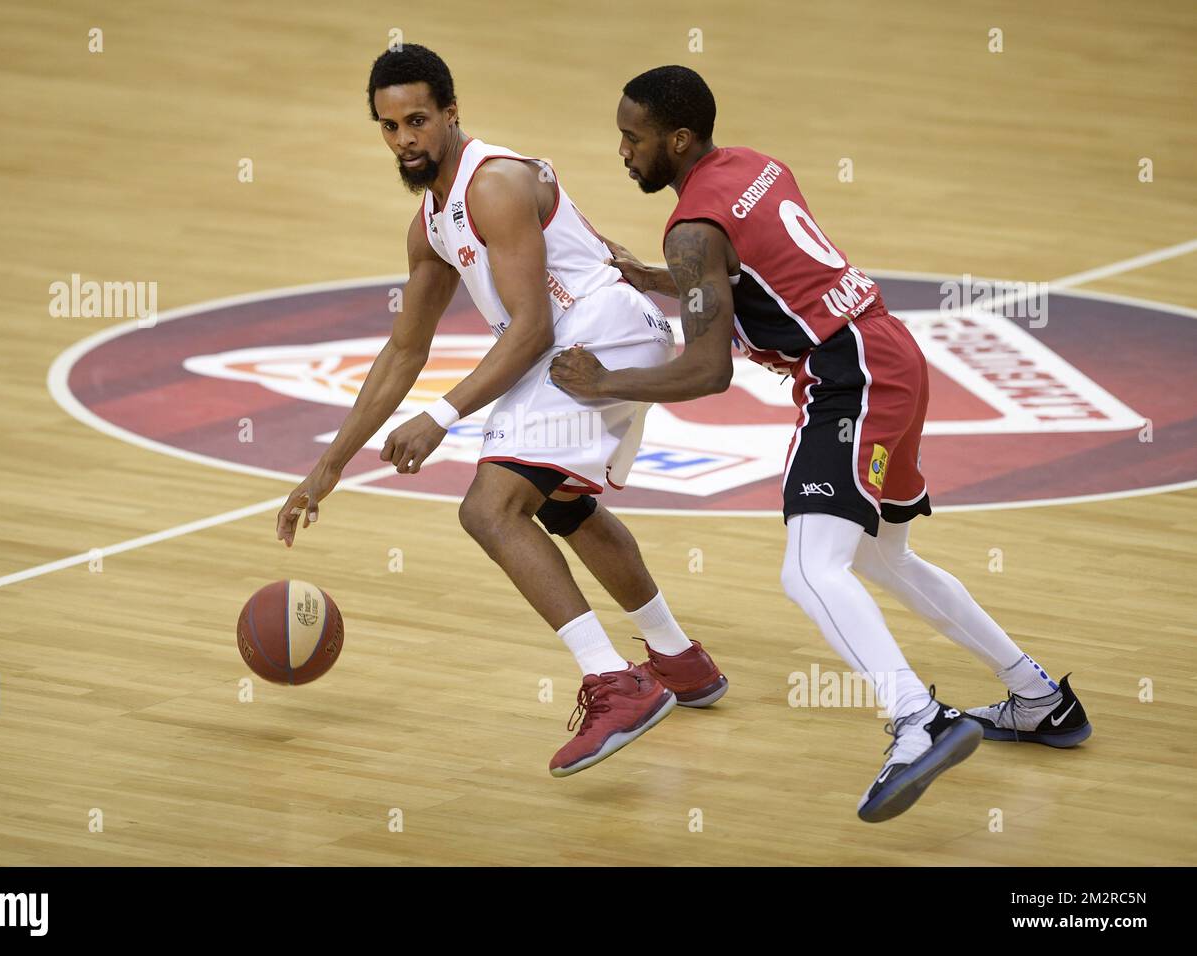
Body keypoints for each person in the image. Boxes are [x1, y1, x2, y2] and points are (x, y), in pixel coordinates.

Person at [549, 65, 1090, 821]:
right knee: (880, 556)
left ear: (677, 139)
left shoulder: (692, 232)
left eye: (632, 139)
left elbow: (706, 372)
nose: (622, 152)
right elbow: (766, 276)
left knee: (809, 570)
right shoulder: (753, 167)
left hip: (849, 383)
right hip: (889, 352)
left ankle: (917, 720)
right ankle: (1038, 697)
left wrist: (602, 383)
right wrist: (654, 276)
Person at [276, 46, 727, 778]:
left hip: (599, 335)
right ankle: (679, 660)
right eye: (388, 126)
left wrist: (442, 417)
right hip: (589, 340)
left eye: (417, 120)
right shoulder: (429, 226)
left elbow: (532, 329)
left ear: (451, 114)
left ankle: (615, 683)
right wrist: (323, 471)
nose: (405, 139)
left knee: (490, 509)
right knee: (560, 508)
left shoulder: (495, 185)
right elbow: (401, 353)